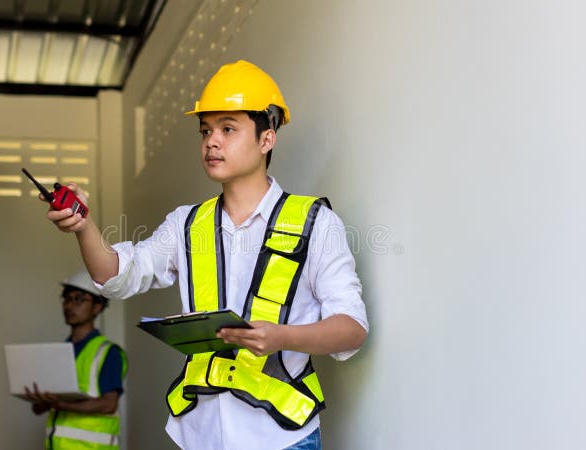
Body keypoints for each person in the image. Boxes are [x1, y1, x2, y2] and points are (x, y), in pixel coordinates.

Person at [44, 60, 368, 450]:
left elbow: (352, 328)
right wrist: (84, 227)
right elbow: (118, 275)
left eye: (228, 129)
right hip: (199, 435)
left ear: (267, 138)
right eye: (205, 131)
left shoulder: (316, 222)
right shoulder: (186, 224)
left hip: (282, 438)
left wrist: (283, 337)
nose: (211, 141)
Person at [23, 269, 128, 450]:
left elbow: (108, 405)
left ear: (97, 307)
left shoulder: (107, 353)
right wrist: (40, 401)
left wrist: (60, 404)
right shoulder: (60, 353)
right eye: (67, 298)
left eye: (79, 299)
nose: (70, 305)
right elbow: (39, 409)